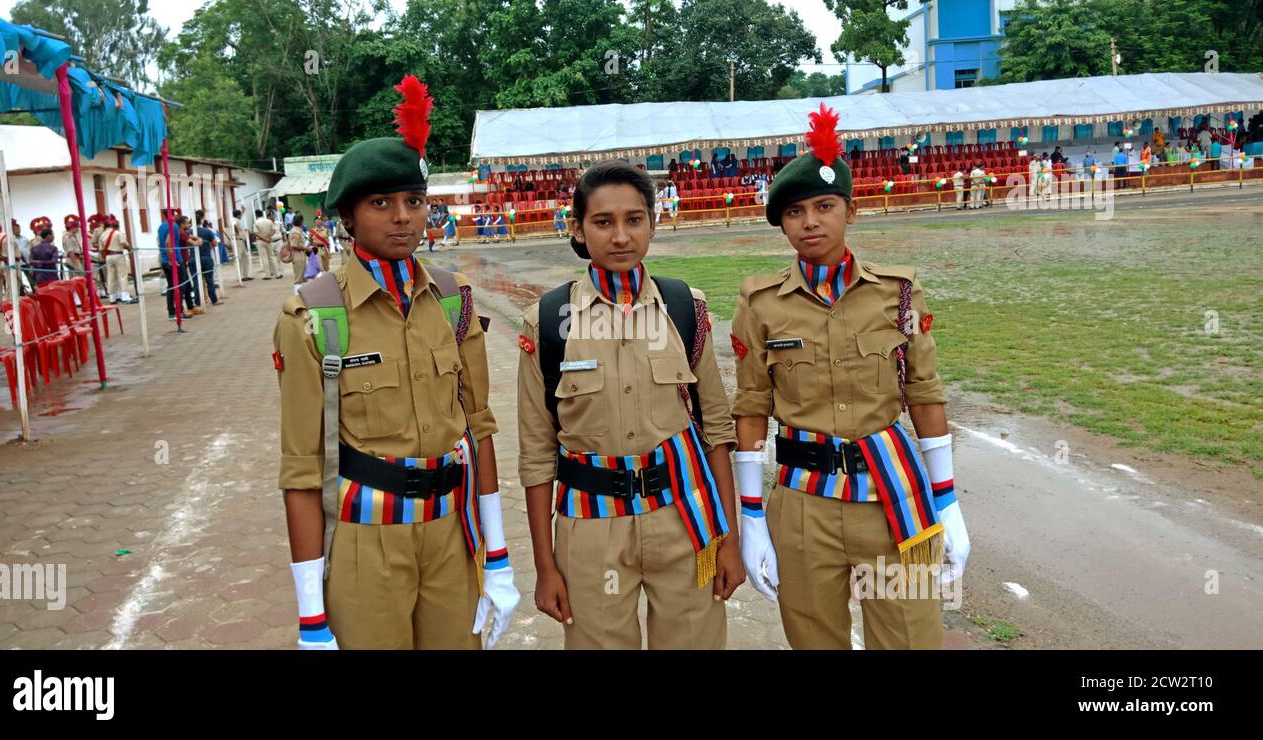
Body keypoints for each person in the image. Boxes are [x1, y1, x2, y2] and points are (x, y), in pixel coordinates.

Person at [274, 75, 517, 649]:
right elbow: (302, 470)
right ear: (349, 218)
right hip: (365, 545)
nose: (402, 217)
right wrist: (312, 617)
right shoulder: (313, 315)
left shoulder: (455, 298)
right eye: (380, 203)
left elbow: (478, 430)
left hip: (451, 537)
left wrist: (499, 559)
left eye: (414, 201)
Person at [731, 103, 970, 649]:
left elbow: (924, 396)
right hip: (802, 505)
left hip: (891, 498)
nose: (810, 221)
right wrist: (750, 518)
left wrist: (949, 501)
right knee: (815, 641)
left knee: (911, 639)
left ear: (850, 211)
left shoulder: (898, 292)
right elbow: (751, 408)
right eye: (794, 212)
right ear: (782, 222)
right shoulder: (761, 303)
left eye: (824, 206)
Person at [518, 160, 742, 649]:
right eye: (603, 222)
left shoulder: (686, 309)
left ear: (654, 223)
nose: (620, 236)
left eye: (634, 219)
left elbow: (717, 431)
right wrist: (544, 566)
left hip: (686, 518)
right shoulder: (548, 322)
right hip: (591, 529)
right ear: (577, 228)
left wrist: (731, 538)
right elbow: (536, 456)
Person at [157, 214, 199, 320]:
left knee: (171, 286)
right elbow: (168, 242)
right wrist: (173, 260)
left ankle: (171, 312)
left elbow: (160, 242)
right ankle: (179, 311)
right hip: (175, 260)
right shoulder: (174, 226)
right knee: (181, 286)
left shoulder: (161, 226)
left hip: (164, 259)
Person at [99, 214, 137, 304]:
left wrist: (105, 258)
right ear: (111, 225)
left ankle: (112, 297)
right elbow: (124, 243)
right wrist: (130, 249)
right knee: (122, 276)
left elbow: (101, 250)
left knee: (111, 277)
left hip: (108, 256)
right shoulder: (117, 233)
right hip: (118, 255)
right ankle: (124, 296)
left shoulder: (102, 235)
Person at [195, 216, 221, 305]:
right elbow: (215, 243)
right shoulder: (207, 231)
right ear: (201, 220)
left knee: (196, 281)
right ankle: (214, 299)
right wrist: (208, 246)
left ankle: (198, 302)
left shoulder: (189, 232)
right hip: (206, 257)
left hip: (193, 259)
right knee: (209, 279)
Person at [253, 209, 284, 280]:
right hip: (269, 241)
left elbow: (256, 234)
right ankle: (277, 274)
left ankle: (268, 275)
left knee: (264, 258)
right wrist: (267, 238)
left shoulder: (256, 222)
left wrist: (264, 238)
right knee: (271, 257)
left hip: (261, 241)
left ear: (256, 215)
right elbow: (274, 231)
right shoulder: (269, 221)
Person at [232, 209, 253, 282]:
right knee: (239, 258)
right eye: (240, 214)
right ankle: (239, 276)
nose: (241, 216)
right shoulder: (234, 220)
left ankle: (245, 275)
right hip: (238, 241)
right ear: (238, 215)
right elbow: (234, 225)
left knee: (245, 257)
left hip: (241, 241)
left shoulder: (237, 220)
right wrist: (238, 231)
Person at [287, 213, 309, 285]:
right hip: (298, 256)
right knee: (298, 279)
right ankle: (297, 294)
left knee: (302, 277)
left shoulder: (297, 230)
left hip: (301, 255)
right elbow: (294, 245)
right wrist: (306, 249)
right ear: (301, 221)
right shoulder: (295, 232)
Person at [62, 214, 83, 281]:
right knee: (78, 280)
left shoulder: (72, 235)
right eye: (76, 227)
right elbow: (71, 252)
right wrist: (77, 265)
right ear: (73, 227)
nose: (78, 228)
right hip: (73, 260)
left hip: (76, 258)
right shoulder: (68, 237)